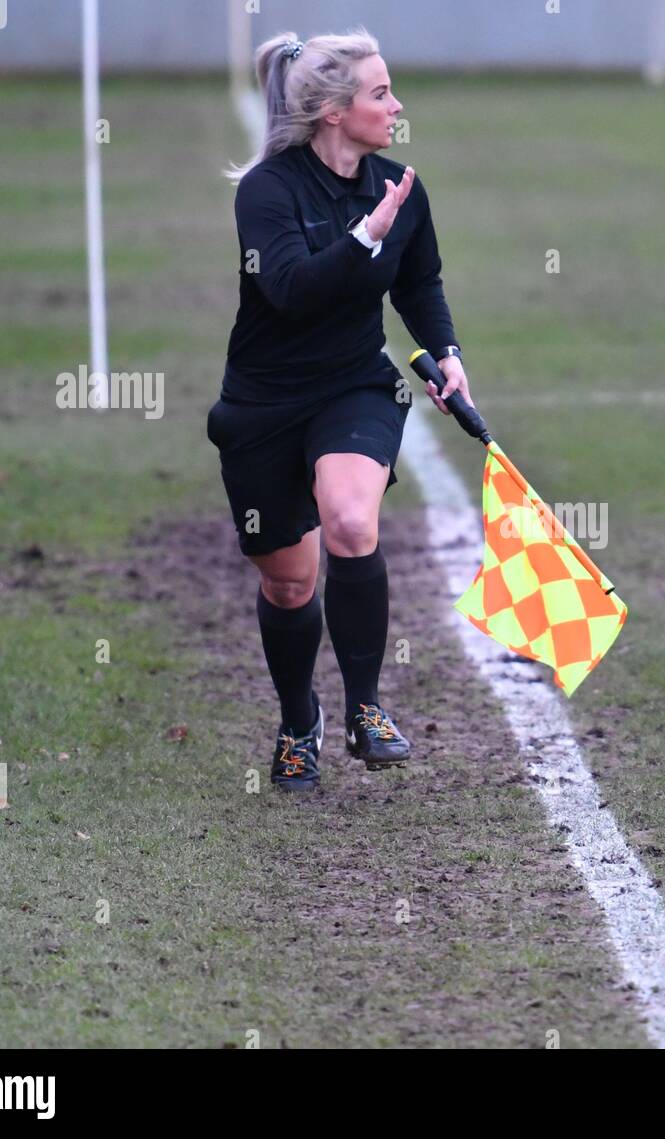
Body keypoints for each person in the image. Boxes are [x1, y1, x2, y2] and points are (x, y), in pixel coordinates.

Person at [207, 26, 475, 791]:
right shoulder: (268, 191)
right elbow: (288, 290)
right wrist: (364, 236)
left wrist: (447, 351)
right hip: (261, 406)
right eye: (380, 93)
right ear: (331, 111)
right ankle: (300, 721)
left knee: (352, 522)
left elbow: (418, 283)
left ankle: (365, 708)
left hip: (354, 385)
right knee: (289, 582)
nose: (396, 105)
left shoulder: (400, 187)